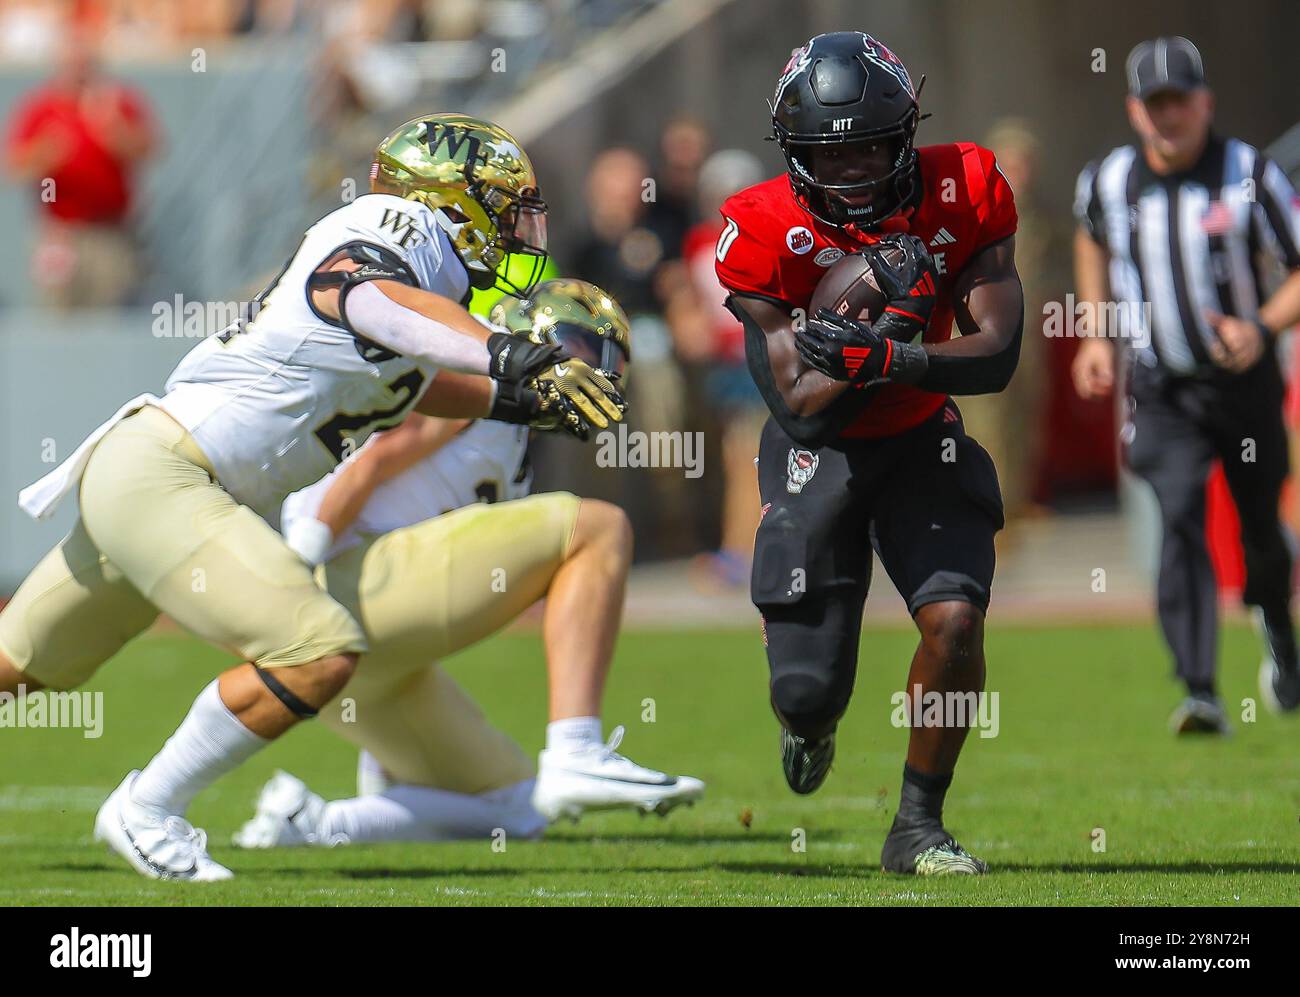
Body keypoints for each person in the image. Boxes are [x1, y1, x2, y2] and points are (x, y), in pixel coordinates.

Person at [0, 113, 625, 881]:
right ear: (451, 199)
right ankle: (149, 806)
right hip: (169, 479)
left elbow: (418, 380)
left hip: (149, 474)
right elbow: (364, 296)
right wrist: (505, 352)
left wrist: (515, 400)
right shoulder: (399, 233)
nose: (518, 225)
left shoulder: (424, 290)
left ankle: (147, 806)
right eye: (503, 204)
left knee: (14, 665)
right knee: (317, 652)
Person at [233, 280, 703, 848]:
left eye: (609, 365)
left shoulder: (515, 442)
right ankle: (577, 747)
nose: (598, 376)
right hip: (342, 589)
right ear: (538, 339)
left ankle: (313, 823)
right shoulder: (479, 389)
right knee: (599, 528)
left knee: (518, 811)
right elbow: (372, 463)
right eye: (585, 352)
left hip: (374, 664)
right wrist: (294, 572)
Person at [717, 32, 1024, 876]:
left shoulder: (964, 185)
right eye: (830, 154)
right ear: (797, 153)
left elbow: (997, 351)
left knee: (956, 619)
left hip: (922, 430)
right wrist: (887, 328)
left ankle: (917, 825)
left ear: (907, 134)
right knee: (807, 692)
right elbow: (803, 412)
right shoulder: (763, 228)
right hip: (823, 450)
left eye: (871, 150)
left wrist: (897, 358)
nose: (852, 171)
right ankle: (809, 725)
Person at [1071, 36, 1300, 731]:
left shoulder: (1249, 175)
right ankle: (1199, 687)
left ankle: (1277, 629)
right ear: (1136, 110)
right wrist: (1092, 331)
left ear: (1205, 102)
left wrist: (1260, 327)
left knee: (1259, 525)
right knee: (1177, 517)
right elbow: (1091, 235)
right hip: (1160, 382)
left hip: (1242, 380)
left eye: (1180, 101)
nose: (1169, 117)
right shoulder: (1110, 179)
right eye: (1155, 103)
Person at [4, 29, 157, 308]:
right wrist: (45, 153)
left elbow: (150, 148)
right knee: (60, 311)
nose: (78, 71)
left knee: (111, 307)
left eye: (84, 64)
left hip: (109, 232)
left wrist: (116, 132)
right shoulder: (42, 108)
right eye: (71, 64)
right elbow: (14, 166)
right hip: (60, 234)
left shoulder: (115, 103)